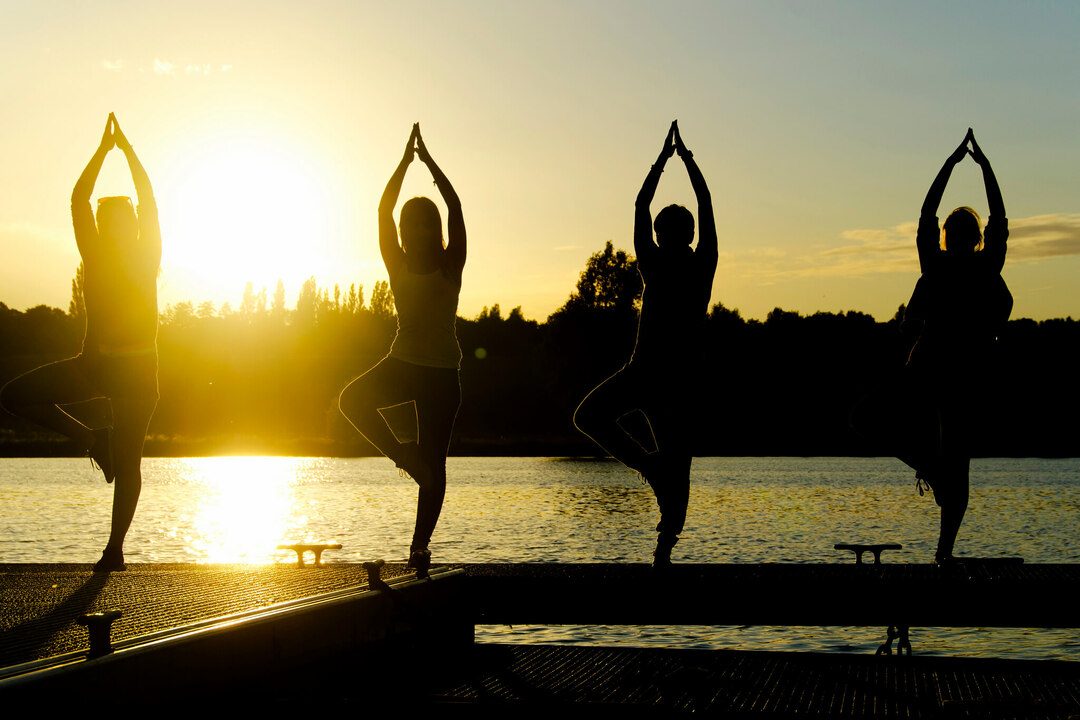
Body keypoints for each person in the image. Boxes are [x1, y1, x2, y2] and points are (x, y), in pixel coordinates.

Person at [0, 114, 160, 572]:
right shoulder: (93, 252)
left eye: (122, 218)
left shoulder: (148, 252)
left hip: (138, 372)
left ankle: (114, 551)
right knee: (12, 397)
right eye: (107, 220)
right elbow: (77, 199)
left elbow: (148, 199)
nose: (116, 225)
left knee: (129, 462)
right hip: (92, 363)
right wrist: (101, 149)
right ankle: (92, 437)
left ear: (131, 223)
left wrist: (127, 151)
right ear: (101, 226)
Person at [574, 121, 717, 568]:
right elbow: (705, 203)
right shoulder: (700, 263)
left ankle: (660, 522)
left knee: (591, 419)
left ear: (660, 236)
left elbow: (641, 203)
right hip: (663, 376)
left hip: (657, 375)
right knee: (678, 465)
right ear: (688, 235)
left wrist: (662, 160)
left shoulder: (658, 264)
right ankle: (663, 542)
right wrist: (687, 160)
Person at [338, 123, 465, 576]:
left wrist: (429, 163)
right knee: (350, 400)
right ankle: (402, 456)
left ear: (433, 229)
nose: (414, 227)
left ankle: (419, 548)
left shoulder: (453, 263)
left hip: (442, 375)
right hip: (403, 362)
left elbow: (454, 206)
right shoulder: (396, 261)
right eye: (410, 222)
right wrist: (402, 162)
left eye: (422, 221)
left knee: (436, 463)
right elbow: (382, 209)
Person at [901, 128, 1012, 564]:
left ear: (949, 236)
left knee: (949, 456)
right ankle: (943, 547)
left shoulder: (944, 265)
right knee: (957, 460)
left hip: (941, 368)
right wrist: (983, 167)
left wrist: (950, 164)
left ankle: (935, 484)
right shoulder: (986, 265)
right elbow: (1000, 217)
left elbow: (927, 213)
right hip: (961, 370)